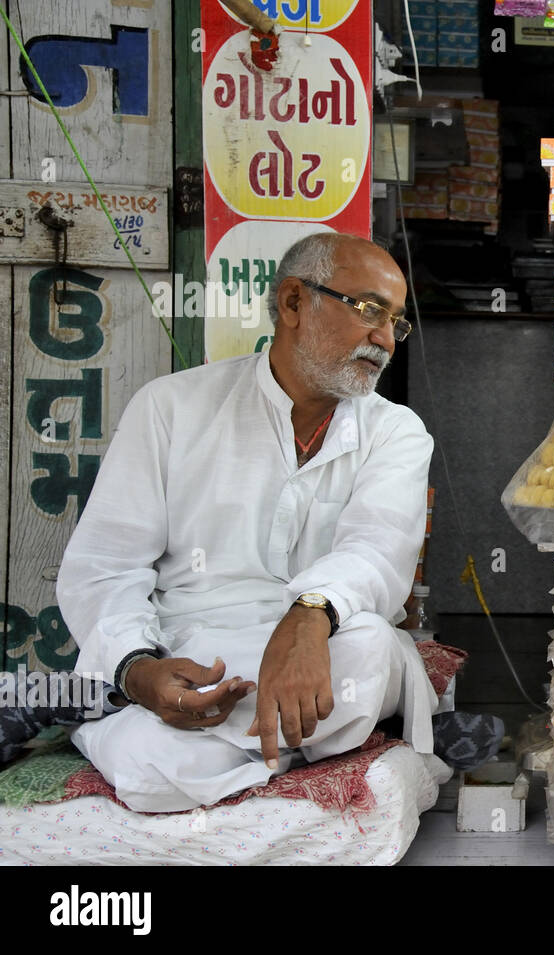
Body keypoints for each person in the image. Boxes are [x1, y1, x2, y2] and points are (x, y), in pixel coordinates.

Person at [56, 232, 445, 812]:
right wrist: (139, 670)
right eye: (369, 310)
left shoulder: (395, 431)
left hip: (332, 648)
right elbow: (105, 568)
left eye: (395, 322)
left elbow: (377, 552)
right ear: (293, 303)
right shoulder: (171, 407)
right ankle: (275, 746)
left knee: (370, 651)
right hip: (198, 651)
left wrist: (312, 614)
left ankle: (210, 748)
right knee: (150, 772)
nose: (385, 339)